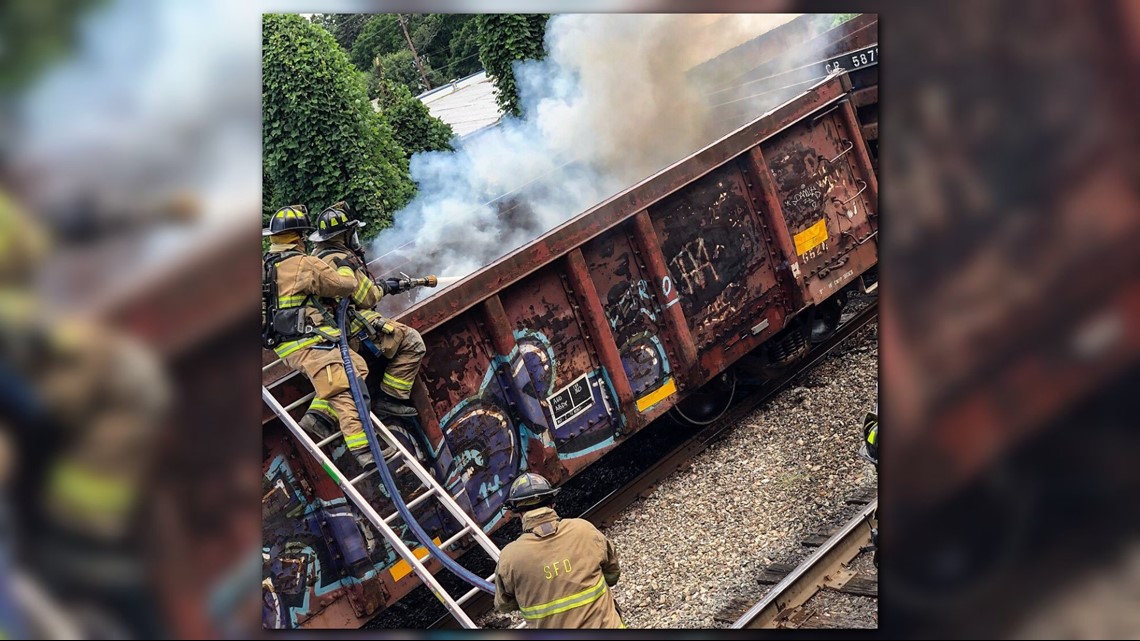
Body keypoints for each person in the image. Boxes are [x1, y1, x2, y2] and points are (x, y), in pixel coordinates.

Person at [261, 205, 376, 468]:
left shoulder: (264, 266)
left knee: (358, 365)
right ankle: (365, 451)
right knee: (346, 385)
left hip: (284, 346)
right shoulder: (305, 264)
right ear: (299, 237)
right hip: (309, 343)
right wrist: (346, 266)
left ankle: (318, 416)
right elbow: (345, 285)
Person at [307, 202, 427, 419]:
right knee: (412, 342)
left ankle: (320, 416)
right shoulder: (340, 259)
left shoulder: (315, 257)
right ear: (345, 234)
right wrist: (384, 287)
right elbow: (366, 297)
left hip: (325, 332)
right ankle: (391, 399)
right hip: (348, 328)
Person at [493, 473, 626, 629]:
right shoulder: (584, 530)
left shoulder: (510, 557)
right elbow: (613, 574)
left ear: (519, 514)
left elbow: (505, 605)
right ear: (552, 504)